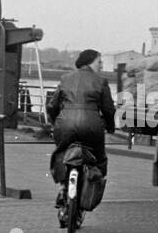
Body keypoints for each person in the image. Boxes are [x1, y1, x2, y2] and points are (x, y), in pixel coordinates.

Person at [47, 49, 115, 207]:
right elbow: (108, 109)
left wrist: (55, 121)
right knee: (99, 158)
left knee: (61, 152)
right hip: (91, 126)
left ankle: (63, 187)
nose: (101, 65)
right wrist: (110, 127)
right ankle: (90, 189)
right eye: (99, 62)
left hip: (65, 124)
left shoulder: (65, 78)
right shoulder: (101, 81)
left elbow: (52, 105)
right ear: (90, 61)